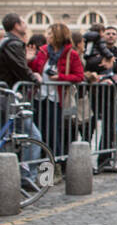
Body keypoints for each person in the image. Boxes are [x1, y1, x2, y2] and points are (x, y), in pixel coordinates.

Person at [30, 23, 85, 157]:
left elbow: (79, 76)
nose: (47, 36)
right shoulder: (43, 51)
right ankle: (41, 164)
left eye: (50, 34)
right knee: (39, 132)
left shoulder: (71, 54)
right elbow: (35, 69)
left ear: (58, 36)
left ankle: (55, 165)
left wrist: (60, 77)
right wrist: (29, 60)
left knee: (53, 134)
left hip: (56, 99)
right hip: (39, 96)